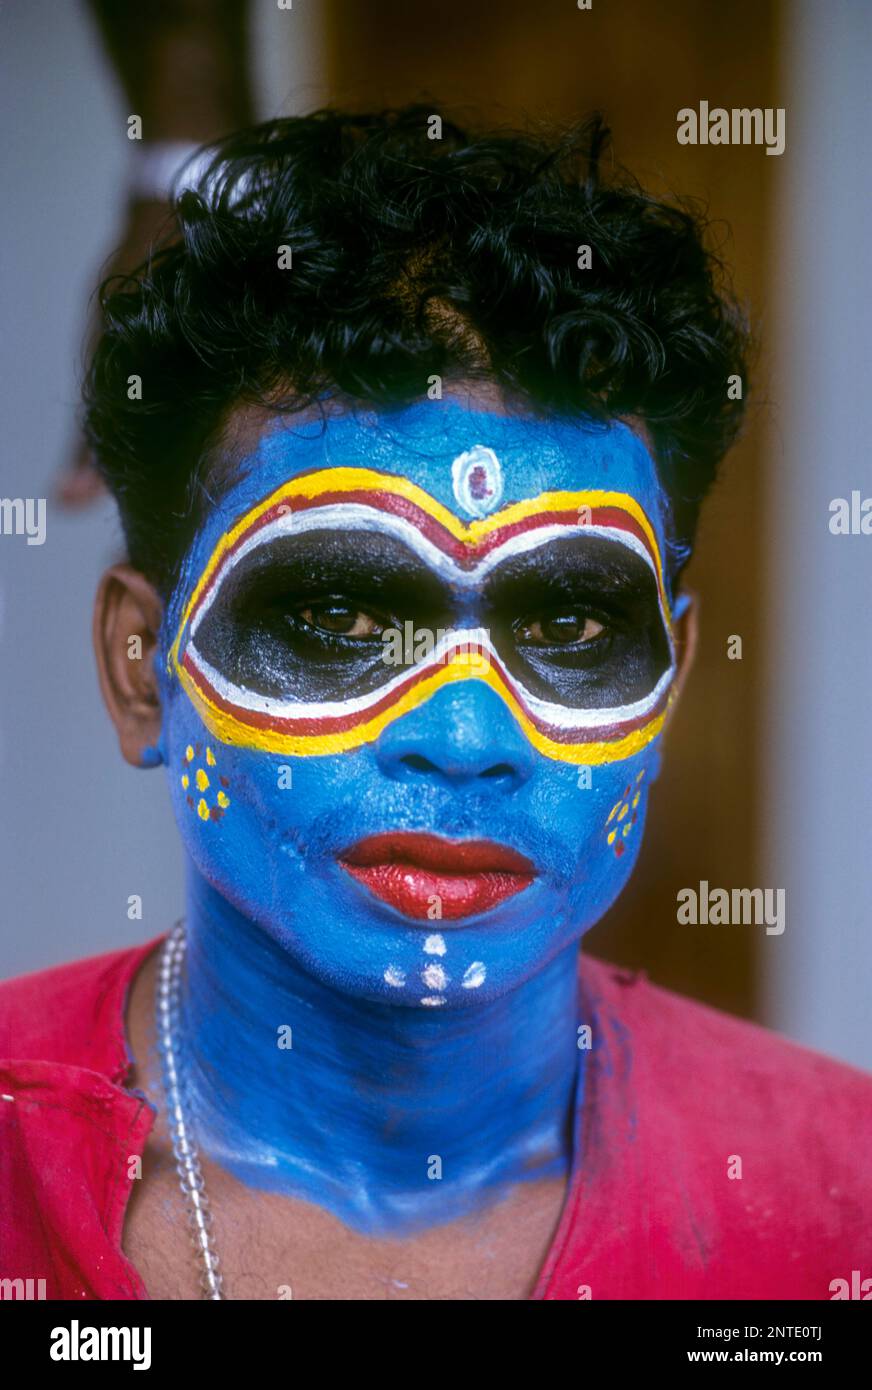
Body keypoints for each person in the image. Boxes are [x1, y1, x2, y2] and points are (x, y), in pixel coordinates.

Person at [2, 109, 870, 1301]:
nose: (463, 739)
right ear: (142, 664)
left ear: (667, 673)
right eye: (340, 618)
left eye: (565, 625)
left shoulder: (838, 1199)